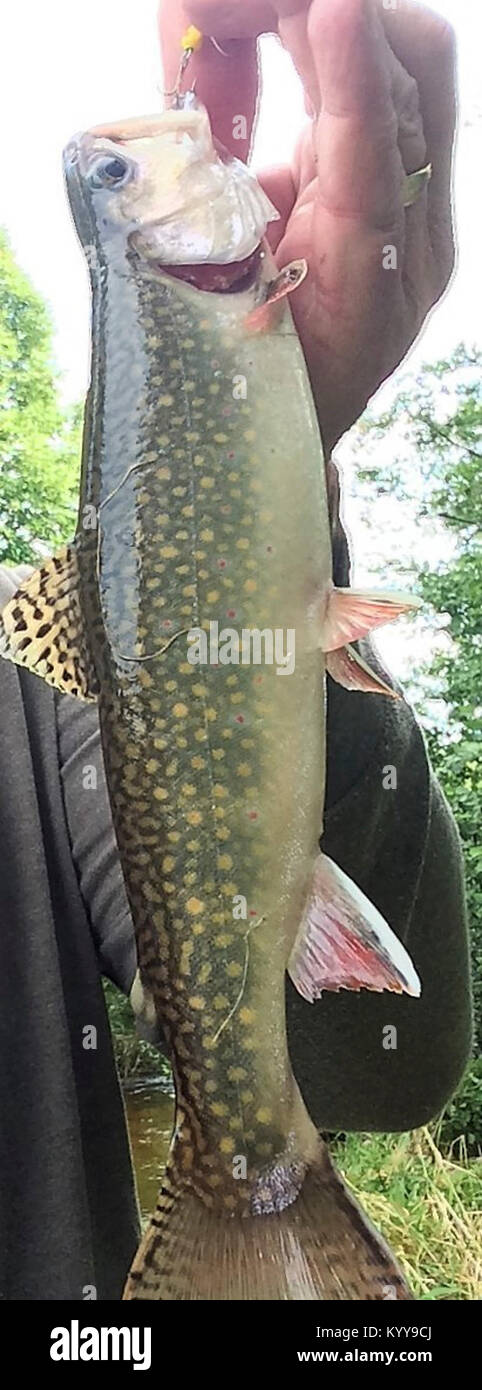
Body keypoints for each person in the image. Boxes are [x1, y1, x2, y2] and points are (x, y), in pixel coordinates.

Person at [0, 0, 471, 1301]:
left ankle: (242, 1177)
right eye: (113, 185)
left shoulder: (36, 697)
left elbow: (385, 1060)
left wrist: (286, 486)